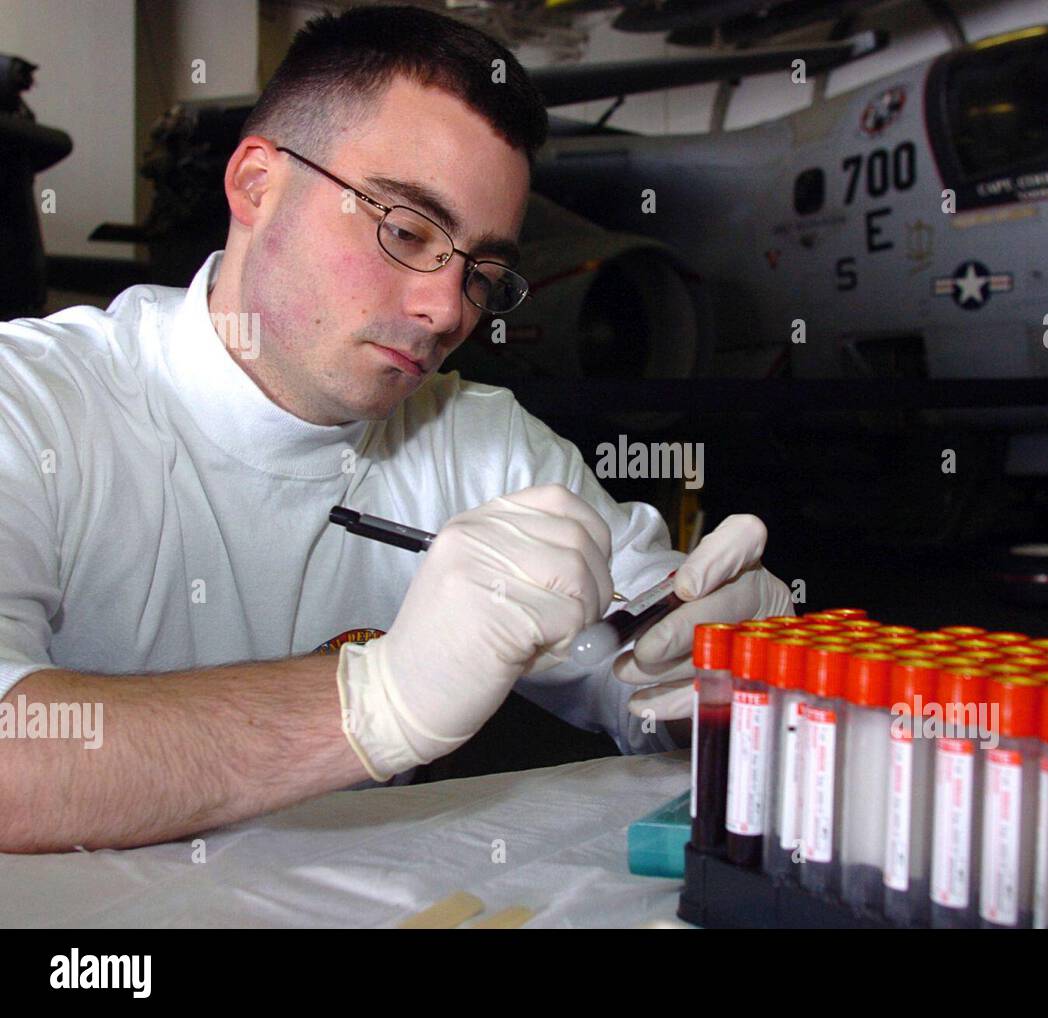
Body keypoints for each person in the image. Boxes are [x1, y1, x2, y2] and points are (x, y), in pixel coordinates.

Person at [0, 5, 792, 853]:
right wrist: (375, 702)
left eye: (485, 271)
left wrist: (726, 671)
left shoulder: (479, 442)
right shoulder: (34, 405)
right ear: (257, 187)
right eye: (407, 231)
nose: (447, 309)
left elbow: (638, 672)